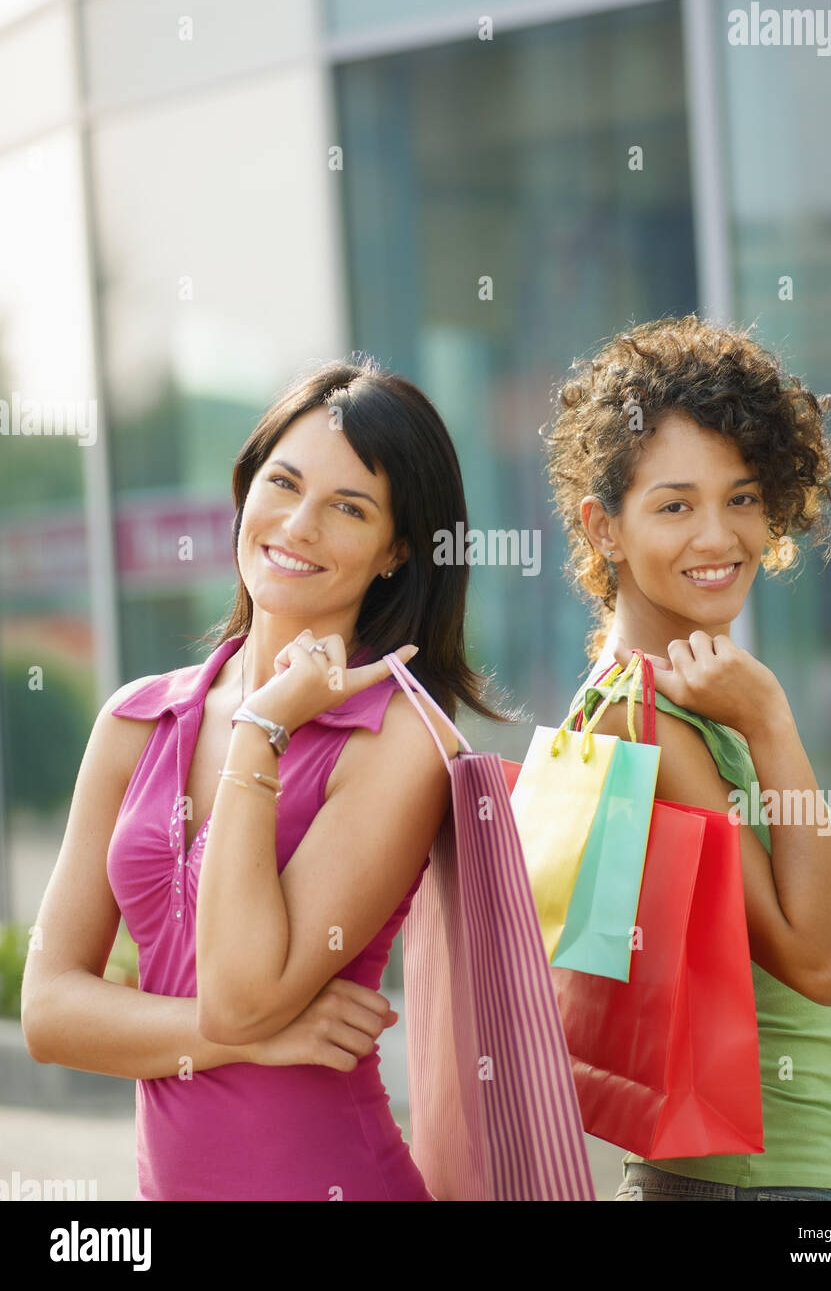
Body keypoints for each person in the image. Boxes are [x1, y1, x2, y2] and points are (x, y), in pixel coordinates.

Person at [21, 357, 505, 1201]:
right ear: (245, 489)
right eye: (282, 484)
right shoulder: (137, 720)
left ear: (396, 549)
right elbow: (51, 1012)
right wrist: (249, 1040)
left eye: (348, 508)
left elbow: (242, 997)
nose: (299, 525)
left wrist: (261, 731)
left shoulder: (395, 740)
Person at [544, 315, 831, 1201]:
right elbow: (825, 968)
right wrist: (770, 721)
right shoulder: (659, 719)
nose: (718, 537)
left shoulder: (644, 696)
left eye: (742, 497)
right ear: (603, 528)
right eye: (674, 505)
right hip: (759, 1181)